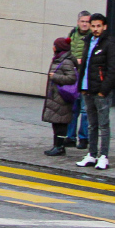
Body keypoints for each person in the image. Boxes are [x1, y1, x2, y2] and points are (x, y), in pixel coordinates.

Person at [76, 13, 112, 170]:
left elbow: (112, 70)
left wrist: (103, 90)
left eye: (99, 26)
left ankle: (103, 156)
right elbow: (84, 65)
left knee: (103, 124)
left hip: (100, 91)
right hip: (87, 89)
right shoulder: (88, 40)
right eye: (93, 26)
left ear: (104, 27)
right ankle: (91, 154)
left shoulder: (109, 43)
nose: (96, 29)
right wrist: (81, 87)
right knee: (91, 124)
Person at [42, 37, 77, 156]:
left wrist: (55, 77)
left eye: (54, 45)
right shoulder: (59, 59)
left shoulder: (66, 61)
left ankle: (60, 147)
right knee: (56, 122)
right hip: (56, 97)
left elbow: (72, 78)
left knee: (61, 123)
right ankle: (56, 146)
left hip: (62, 98)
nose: (53, 47)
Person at [68, 11, 92, 147]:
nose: (84, 24)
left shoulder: (92, 37)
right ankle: (70, 137)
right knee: (73, 108)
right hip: (73, 75)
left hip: (86, 76)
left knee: (84, 110)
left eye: (87, 22)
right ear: (78, 22)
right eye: (82, 21)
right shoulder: (73, 33)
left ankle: (83, 138)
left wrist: (80, 61)